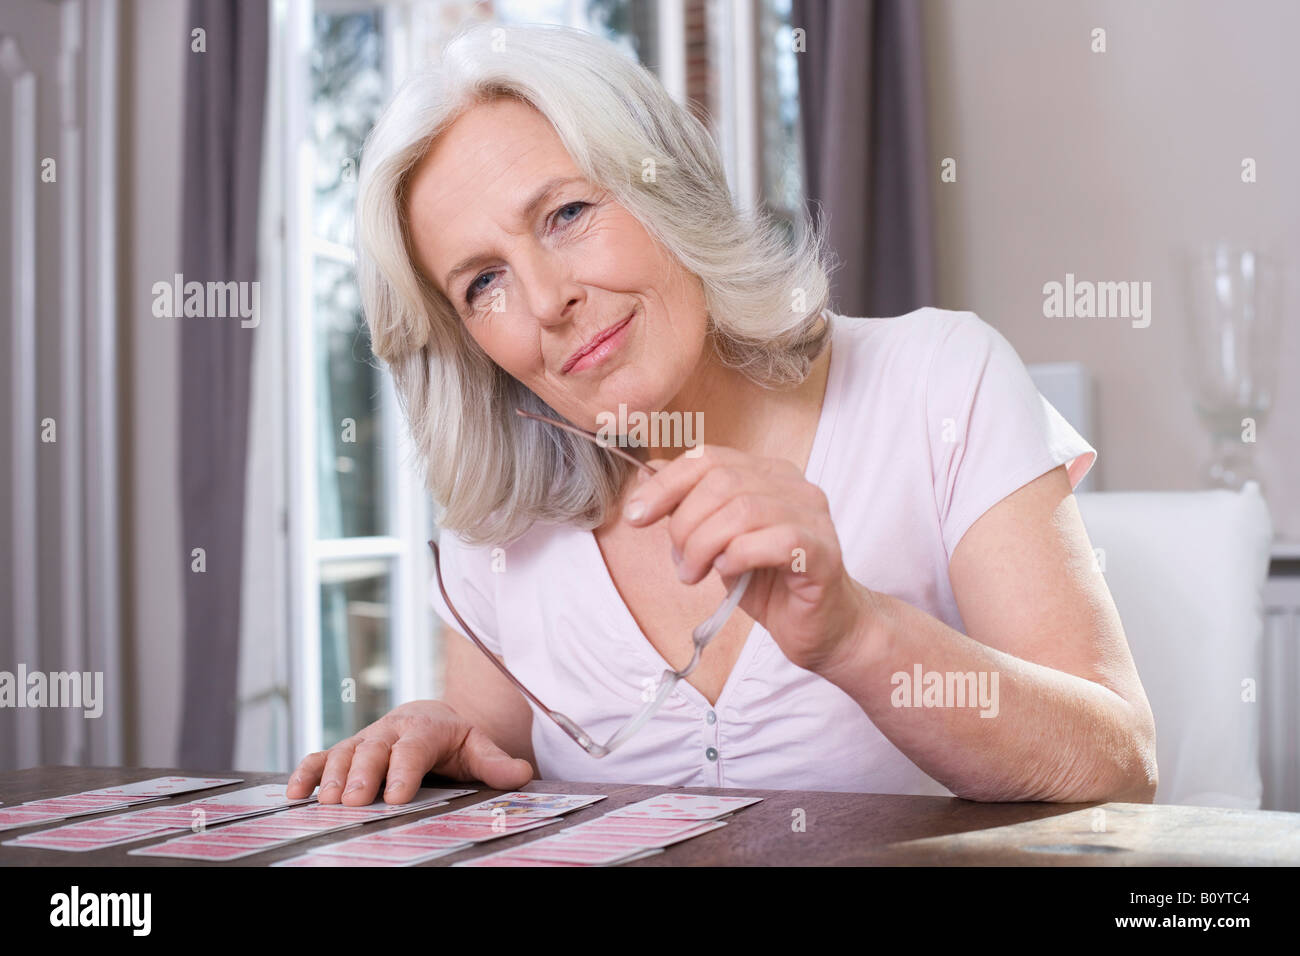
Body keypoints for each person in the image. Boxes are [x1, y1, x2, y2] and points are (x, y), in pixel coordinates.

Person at [288, 22, 1157, 807]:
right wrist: (433, 738)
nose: (549, 301)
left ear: (670, 192)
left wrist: (858, 634)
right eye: (484, 281)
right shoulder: (502, 519)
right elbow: (493, 747)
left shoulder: (940, 381)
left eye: (568, 213)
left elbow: (1118, 763)